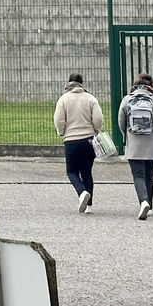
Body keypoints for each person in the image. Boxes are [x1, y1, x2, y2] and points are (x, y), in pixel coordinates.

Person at [53, 72, 104, 214]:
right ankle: (89, 206)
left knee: (72, 171)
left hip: (71, 140)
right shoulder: (90, 98)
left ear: (68, 83)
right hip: (89, 139)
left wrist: (62, 132)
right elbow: (98, 119)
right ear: (82, 83)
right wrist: (95, 129)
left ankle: (82, 193)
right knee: (87, 171)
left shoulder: (63, 99)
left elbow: (59, 120)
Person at [117, 73, 153, 220]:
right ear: (150, 86)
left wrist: (127, 135)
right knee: (149, 175)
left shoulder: (127, 99)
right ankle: (149, 205)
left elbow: (121, 122)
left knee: (138, 175)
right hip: (152, 144)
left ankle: (143, 201)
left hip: (134, 143)